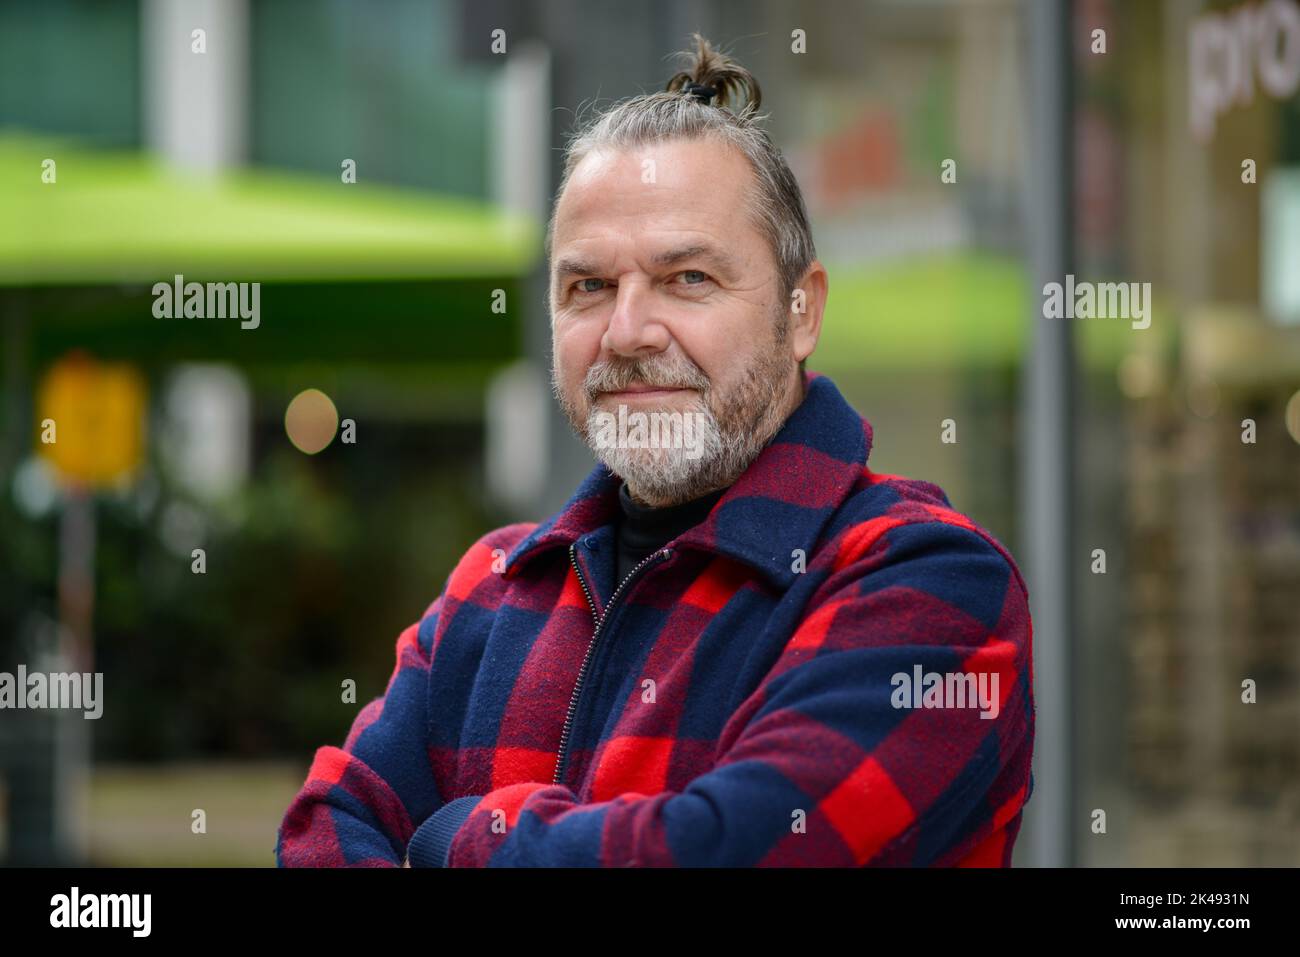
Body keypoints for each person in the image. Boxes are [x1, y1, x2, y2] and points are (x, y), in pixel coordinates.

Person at [276, 34, 1035, 868]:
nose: (629, 332)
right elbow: (322, 831)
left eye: (688, 279)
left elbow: (731, 854)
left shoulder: (927, 584)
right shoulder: (491, 589)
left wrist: (463, 833)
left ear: (801, 312)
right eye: (588, 287)